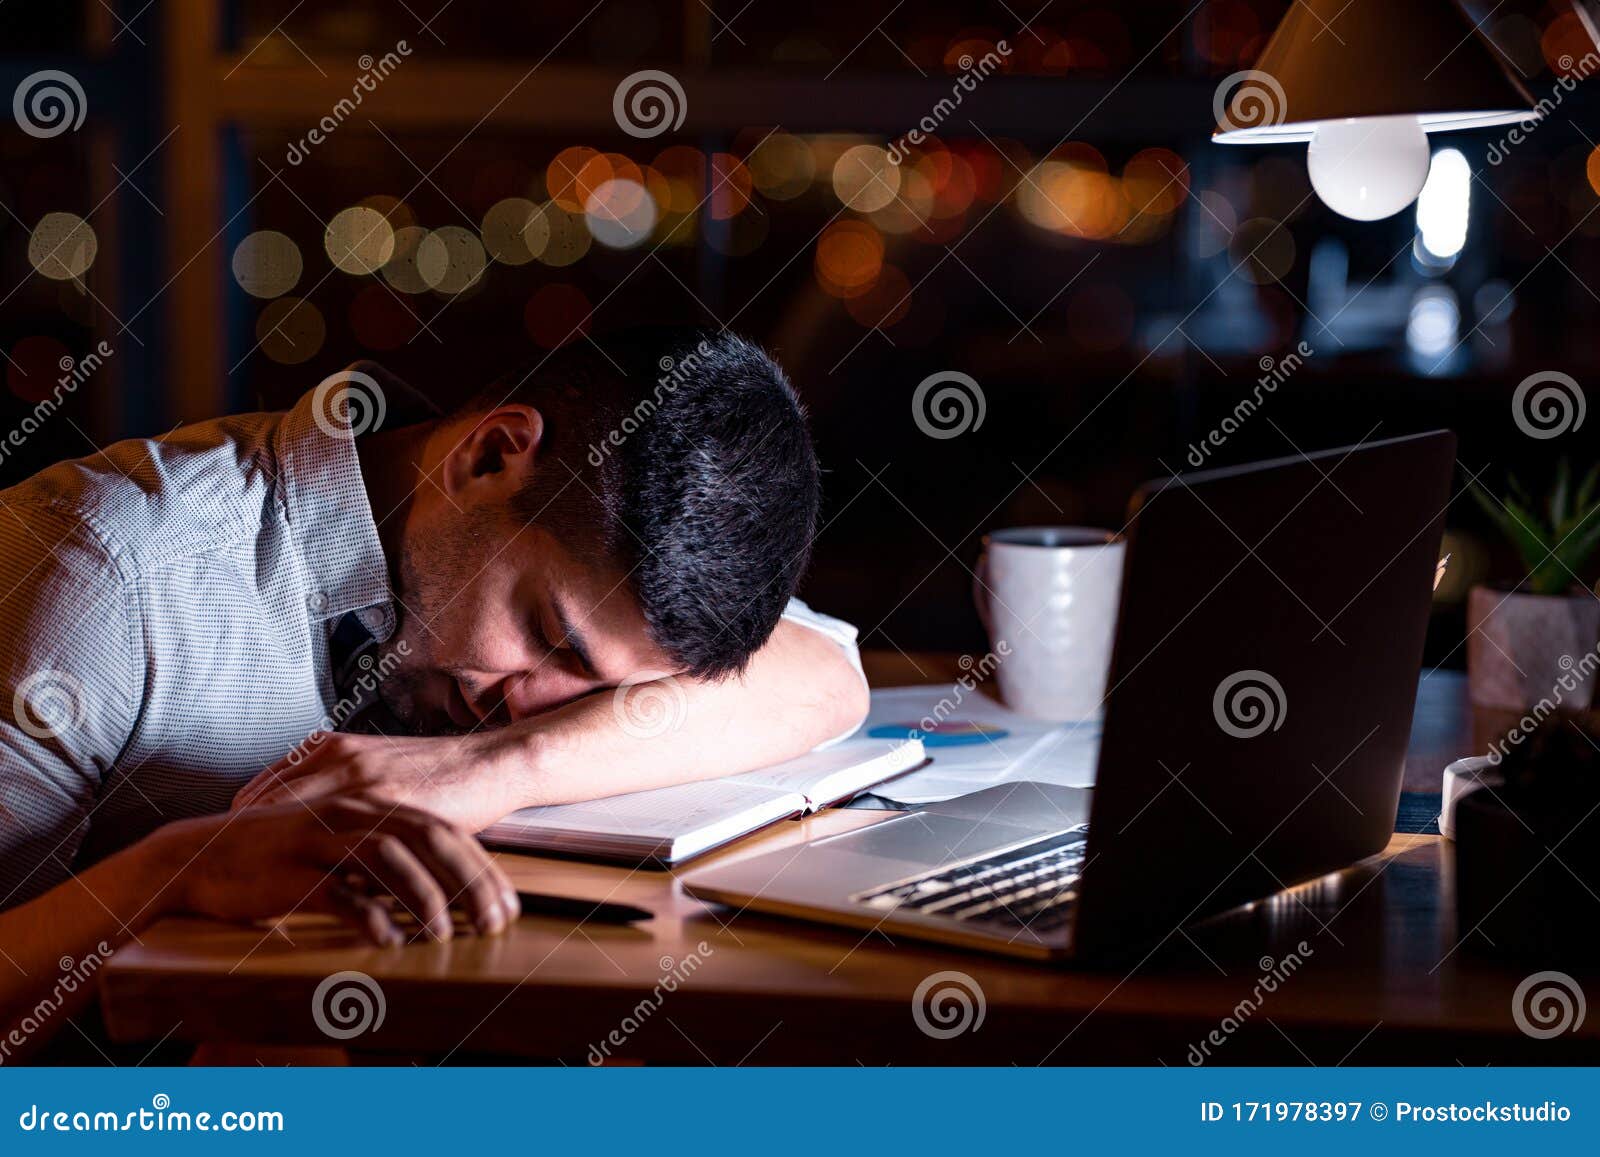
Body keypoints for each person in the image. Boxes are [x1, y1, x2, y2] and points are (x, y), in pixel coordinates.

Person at [0, 329, 868, 1043]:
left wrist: (490, 768)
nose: (541, 699)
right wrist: (175, 871)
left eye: (603, 686)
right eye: (546, 633)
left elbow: (831, 673)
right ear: (490, 455)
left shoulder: (596, 565)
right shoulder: (101, 576)